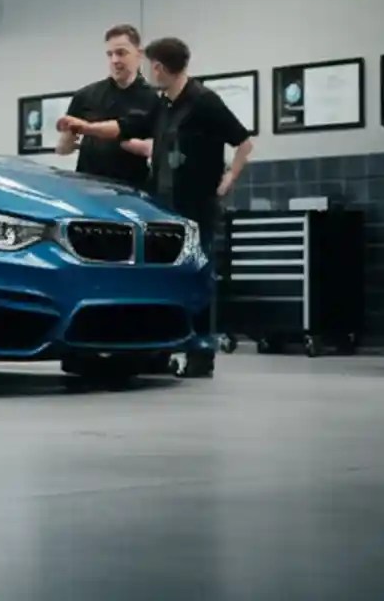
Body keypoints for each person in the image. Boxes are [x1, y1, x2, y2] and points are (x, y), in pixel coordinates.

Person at [128, 36, 254, 377]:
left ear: (157, 67)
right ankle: (162, 348)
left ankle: (201, 353)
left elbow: (244, 142)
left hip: (197, 207)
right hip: (164, 207)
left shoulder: (204, 101)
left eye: (148, 66)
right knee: (164, 278)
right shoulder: (164, 104)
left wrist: (230, 178)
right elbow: (155, 145)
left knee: (198, 278)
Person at [54, 24, 161, 189]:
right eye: (110, 54)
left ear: (138, 55)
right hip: (88, 187)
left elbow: (157, 147)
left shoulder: (152, 99)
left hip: (131, 191)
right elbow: (63, 149)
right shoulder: (86, 95)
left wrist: (87, 128)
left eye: (121, 53)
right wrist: (69, 135)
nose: (115, 60)